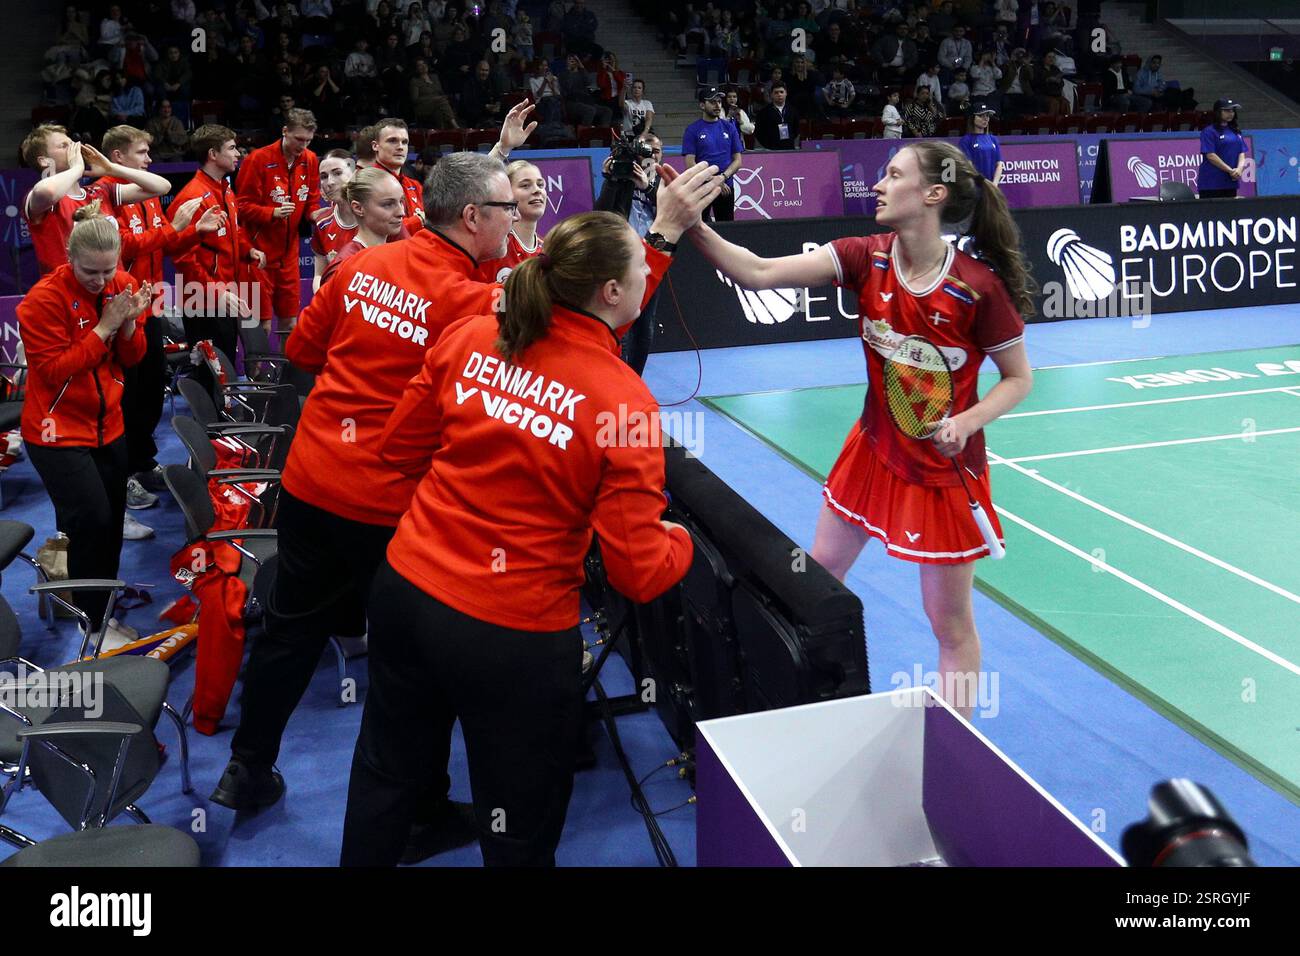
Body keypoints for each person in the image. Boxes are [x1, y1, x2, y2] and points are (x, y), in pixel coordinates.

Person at [338, 169, 723, 868]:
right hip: (512, 633)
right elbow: (639, 573)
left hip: (405, 591)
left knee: (386, 770)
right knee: (516, 814)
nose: (648, 278)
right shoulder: (626, 404)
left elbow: (397, 450)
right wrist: (682, 543)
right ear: (612, 291)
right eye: (643, 267)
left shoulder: (473, 333)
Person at [685, 140, 1034, 717]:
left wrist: (969, 421)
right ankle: (805, 707)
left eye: (893, 175)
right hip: (872, 453)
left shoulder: (977, 288)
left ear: (932, 194)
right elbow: (759, 272)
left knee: (948, 625)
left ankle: (954, 745)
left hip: (944, 476)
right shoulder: (863, 257)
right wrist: (693, 224)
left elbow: (1018, 378)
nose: (877, 184)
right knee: (816, 582)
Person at [18, 211, 154, 647]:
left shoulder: (123, 286)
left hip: (108, 425)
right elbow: (53, 370)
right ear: (69, 258)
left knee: (112, 524)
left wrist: (130, 324)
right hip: (56, 433)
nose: (100, 280)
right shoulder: (43, 300)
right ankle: (91, 622)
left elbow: (131, 359)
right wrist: (105, 327)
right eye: (89, 271)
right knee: (92, 523)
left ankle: (101, 606)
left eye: (109, 269)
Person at [96, 124, 222, 521]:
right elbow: (121, 247)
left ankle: (143, 460)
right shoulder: (107, 195)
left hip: (149, 305)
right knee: (128, 396)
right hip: (124, 309)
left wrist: (191, 233)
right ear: (118, 157)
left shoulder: (148, 195)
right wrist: (174, 228)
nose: (149, 160)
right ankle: (124, 475)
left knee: (151, 391)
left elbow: (164, 242)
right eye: (142, 153)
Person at [169, 125, 267, 391]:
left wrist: (248, 250)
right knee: (210, 372)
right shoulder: (191, 197)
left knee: (223, 368)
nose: (238, 154)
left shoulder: (224, 188)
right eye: (232, 148)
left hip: (225, 293)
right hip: (204, 299)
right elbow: (182, 256)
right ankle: (209, 429)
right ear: (213, 154)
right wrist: (215, 293)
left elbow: (233, 231)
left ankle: (222, 421)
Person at [21, 125, 171, 274]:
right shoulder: (44, 200)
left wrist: (112, 168)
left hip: (113, 292)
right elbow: (47, 191)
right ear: (44, 161)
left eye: (72, 142)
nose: (75, 148)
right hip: (67, 293)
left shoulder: (99, 192)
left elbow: (162, 187)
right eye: (63, 146)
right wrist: (77, 169)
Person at [236, 109, 323, 335]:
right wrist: (272, 213)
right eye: (299, 139)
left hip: (289, 257)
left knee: (290, 325)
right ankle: (257, 372)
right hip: (259, 256)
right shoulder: (258, 159)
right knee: (261, 326)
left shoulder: (310, 160)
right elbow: (241, 207)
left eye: (308, 140)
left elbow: (312, 201)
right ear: (285, 131)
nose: (303, 145)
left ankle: (284, 372)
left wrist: (318, 216)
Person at [596, 132, 664, 374]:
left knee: (645, 325)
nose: (652, 156)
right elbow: (602, 214)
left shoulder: (665, 181)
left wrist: (646, 187)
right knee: (619, 322)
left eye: (655, 151)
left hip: (652, 259)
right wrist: (611, 180)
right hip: (621, 258)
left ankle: (635, 376)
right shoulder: (621, 177)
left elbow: (673, 213)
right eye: (647, 151)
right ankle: (616, 374)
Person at [318, 168, 409, 285]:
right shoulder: (343, 268)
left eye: (401, 201)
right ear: (358, 208)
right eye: (388, 204)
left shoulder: (397, 253)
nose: (401, 212)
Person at [477, 160, 547, 284]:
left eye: (540, 185)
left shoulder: (548, 250)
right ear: (506, 194)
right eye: (525, 185)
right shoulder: (492, 247)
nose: (537, 190)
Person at [683, 87, 743, 222]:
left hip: (725, 186)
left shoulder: (729, 127)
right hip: (702, 187)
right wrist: (713, 180)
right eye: (712, 102)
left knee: (726, 229)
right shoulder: (692, 130)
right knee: (700, 228)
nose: (717, 105)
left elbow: (738, 160)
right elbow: (690, 163)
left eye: (719, 102)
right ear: (702, 105)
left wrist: (722, 177)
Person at [311, 149, 358, 291]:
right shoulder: (322, 223)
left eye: (337, 173)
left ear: (355, 175)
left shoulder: (376, 218)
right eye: (324, 176)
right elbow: (319, 275)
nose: (329, 182)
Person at [1198, 99, 1248, 199]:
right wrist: (1230, 170)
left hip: (1230, 181)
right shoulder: (1209, 132)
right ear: (1218, 112)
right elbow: (1210, 155)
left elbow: (1241, 152)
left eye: (1232, 111)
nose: (1231, 113)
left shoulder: (1236, 131)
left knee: (1230, 213)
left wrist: (1239, 169)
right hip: (1212, 183)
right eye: (1227, 111)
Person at [959, 104, 1003, 186]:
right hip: (975, 188)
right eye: (980, 116)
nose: (985, 118)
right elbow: (969, 166)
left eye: (987, 115)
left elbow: (999, 164)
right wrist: (984, 184)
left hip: (992, 188)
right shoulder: (966, 141)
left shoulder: (993, 139)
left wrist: (994, 185)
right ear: (972, 118)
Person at [755, 82, 800, 149]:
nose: (779, 94)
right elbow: (759, 132)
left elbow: (796, 129)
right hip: (772, 150)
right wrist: (769, 146)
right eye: (776, 92)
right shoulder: (764, 112)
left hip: (789, 148)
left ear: (786, 93)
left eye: (781, 92)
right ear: (771, 95)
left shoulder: (793, 110)